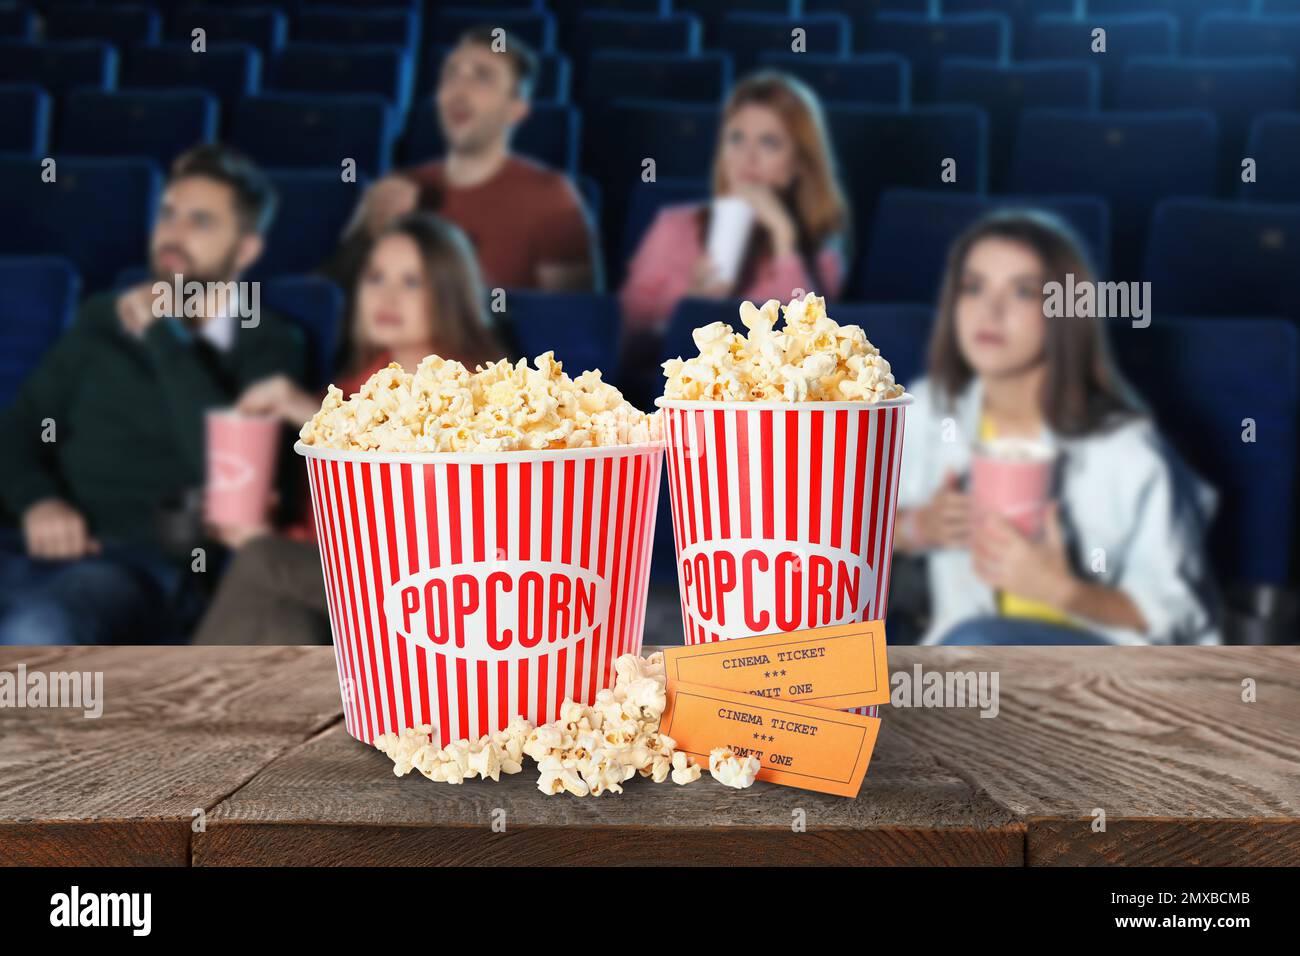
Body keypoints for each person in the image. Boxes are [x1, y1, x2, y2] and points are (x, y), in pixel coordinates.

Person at [0, 144, 305, 645]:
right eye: (168, 214)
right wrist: (38, 502)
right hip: (29, 546)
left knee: (36, 630)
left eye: (201, 222)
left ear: (246, 249)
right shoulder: (104, 317)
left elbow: (226, 472)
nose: (173, 232)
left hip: (145, 569)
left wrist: (165, 338)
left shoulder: (266, 342)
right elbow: (20, 429)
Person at [893, 210, 1219, 646]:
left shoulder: (1126, 450)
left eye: (1022, 292)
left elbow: (1177, 616)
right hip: (965, 670)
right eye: (973, 288)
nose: (990, 311)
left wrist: (1062, 591)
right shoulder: (930, 410)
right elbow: (836, 535)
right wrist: (917, 528)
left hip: (1101, 683)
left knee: (975, 645)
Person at [193, 213, 504, 645]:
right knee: (286, 623)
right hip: (355, 583)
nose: (387, 296)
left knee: (263, 561)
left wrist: (308, 412)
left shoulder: (479, 387)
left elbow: (431, 499)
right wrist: (268, 526)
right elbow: (338, 528)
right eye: (375, 277)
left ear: (449, 295)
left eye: (411, 282)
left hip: (440, 587)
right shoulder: (361, 381)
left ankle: (173, 704)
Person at [332, 26, 597, 292]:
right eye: (451, 75)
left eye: (482, 77)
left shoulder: (551, 197)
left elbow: (571, 321)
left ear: (515, 110)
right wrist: (366, 232)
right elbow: (335, 297)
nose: (459, 91)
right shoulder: (398, 186)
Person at [620, 71, 849, 337]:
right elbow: (622, 339)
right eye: (737, 138)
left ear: (799, 163)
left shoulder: (821, 256)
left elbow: (803, 350)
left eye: (769, 142)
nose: (747, 157)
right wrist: (688, 311)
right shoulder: (674, 225)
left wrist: (784, 238)